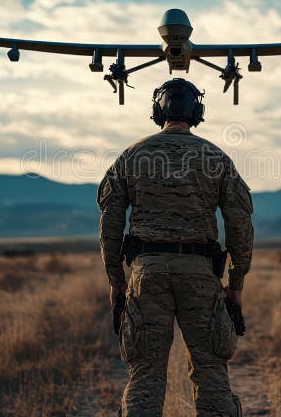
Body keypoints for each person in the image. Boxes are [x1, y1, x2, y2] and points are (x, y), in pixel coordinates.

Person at [97, 78, 254, 416]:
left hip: (146, 274)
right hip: (200, 276)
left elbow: (110, 219)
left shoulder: (132, 156)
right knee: (211, 371)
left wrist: (116, 280)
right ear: (197, 112)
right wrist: (236, 286)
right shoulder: (216, 158)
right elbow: (240, 225)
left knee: (145, 373)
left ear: (158, 111)